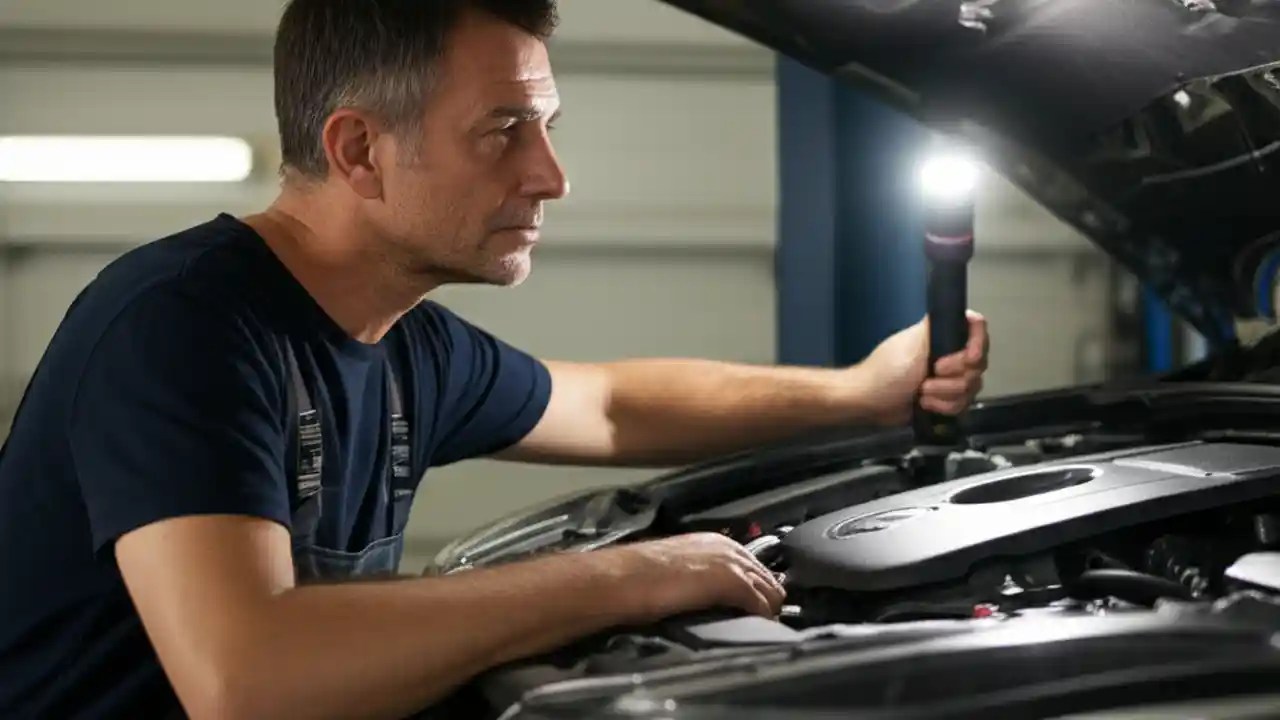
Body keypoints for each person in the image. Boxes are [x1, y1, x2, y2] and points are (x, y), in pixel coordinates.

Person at [0, 1, 989, 718]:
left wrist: (861, 392)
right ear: (358, 152)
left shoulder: (403, 344)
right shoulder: (184, 328)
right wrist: (630, 577)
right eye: (503, 130)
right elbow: (247, 677)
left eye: (546, 128)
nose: (549, 175)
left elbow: (608, 408)